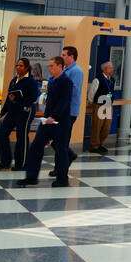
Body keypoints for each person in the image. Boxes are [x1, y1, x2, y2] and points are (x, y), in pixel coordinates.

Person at [20, 56, 72, 187]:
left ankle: (62, 179)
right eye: (48, 66)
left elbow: (64, 102)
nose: (49, 68)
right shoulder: (51, 80)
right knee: (36, 146)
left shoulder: (66, 82)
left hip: (60, 122)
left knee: (61, 150)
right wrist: (46, 116)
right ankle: (31, 177)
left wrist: (54, 116)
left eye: (52, 66)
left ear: (60, 66)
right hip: (46, 120)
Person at [0, 58, 39, 171]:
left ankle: (21, 163)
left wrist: (19, 99)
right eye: (17, 65)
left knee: (21, 136)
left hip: (25, 111)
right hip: (13, 111)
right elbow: (9, 98)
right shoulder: (14, 80)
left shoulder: (31, 81)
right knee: (2, 133)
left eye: (21, 66)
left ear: (27, 68)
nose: (18, 68)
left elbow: (33, 97)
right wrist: (2, 113)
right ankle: (5, 161)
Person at [47, 46, 83, 181]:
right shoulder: (66, 70)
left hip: (70, 110)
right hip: (61, 110)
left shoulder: (76, 71)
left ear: (71, 56)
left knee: (61, 140)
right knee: (58, 140)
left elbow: (73, 90)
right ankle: (64, 161)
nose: (62, 57)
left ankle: (61, 168)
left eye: (64, 55)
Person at [87, 60, 116, 153]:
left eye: (112, 67)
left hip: (108, 105)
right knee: (97, 126)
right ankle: (94, 146)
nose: (112, 69)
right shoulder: (97, 79)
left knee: (106, 127)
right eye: (110, 67)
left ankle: (100, 143)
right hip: (99, 105)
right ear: (104, 69)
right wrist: (93, 103)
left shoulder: (112, 79)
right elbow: (92, 93)